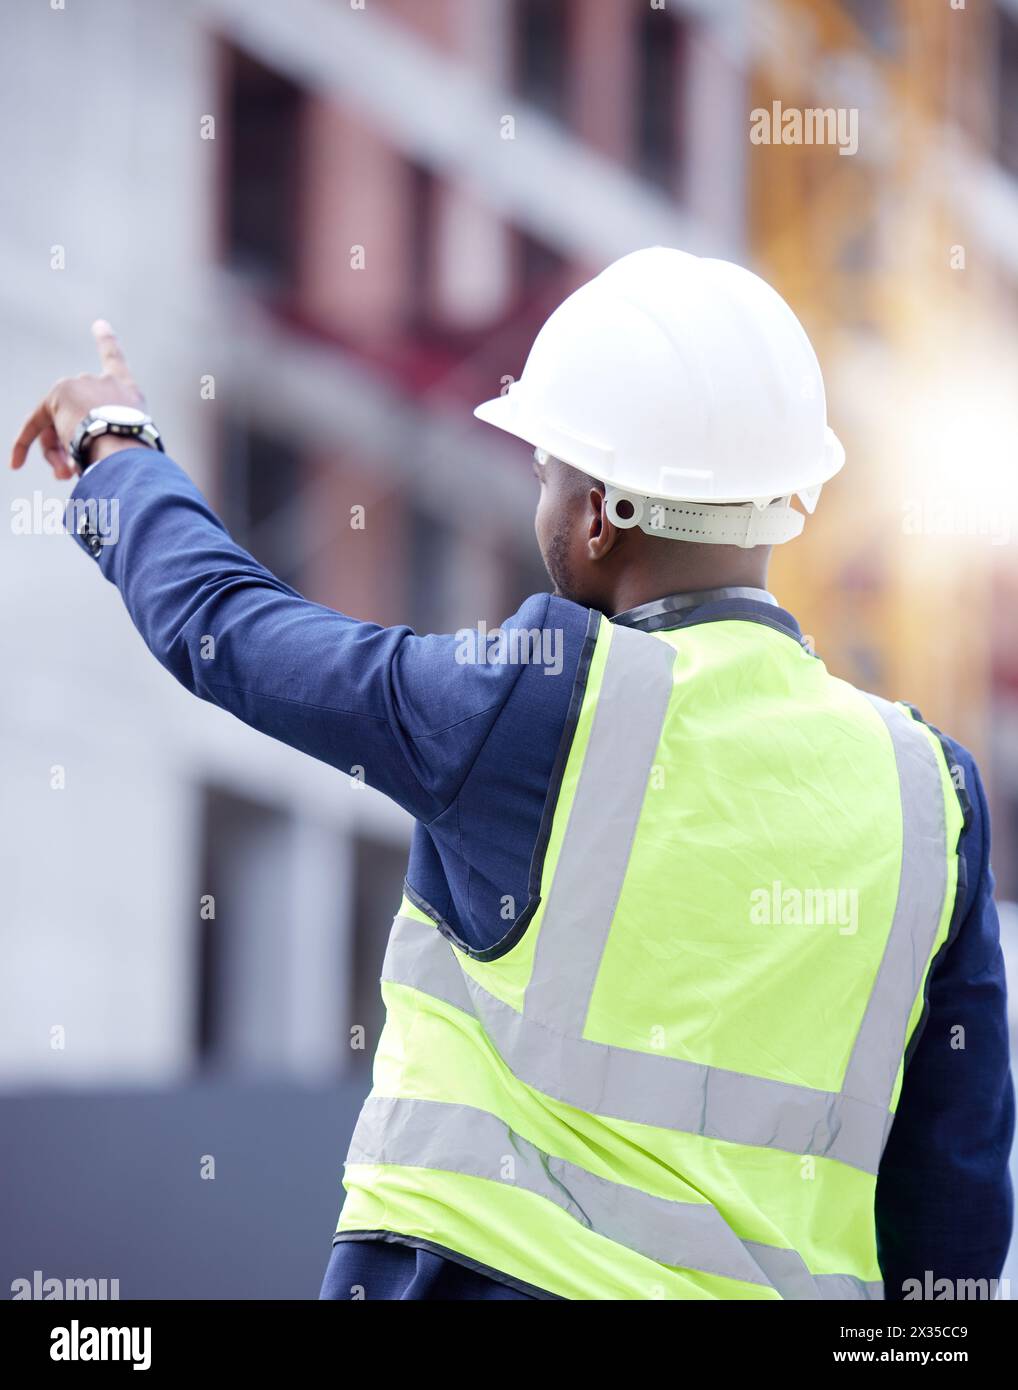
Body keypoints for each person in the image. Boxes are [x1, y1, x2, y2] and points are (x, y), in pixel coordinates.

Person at [11, 248, 1013, 1301]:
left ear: (595, 517)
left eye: (549, 474)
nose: (542, 500)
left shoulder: (541, 705)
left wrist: (115, 447)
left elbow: (229, 631)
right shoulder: (928, 792)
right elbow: (953, 1208)